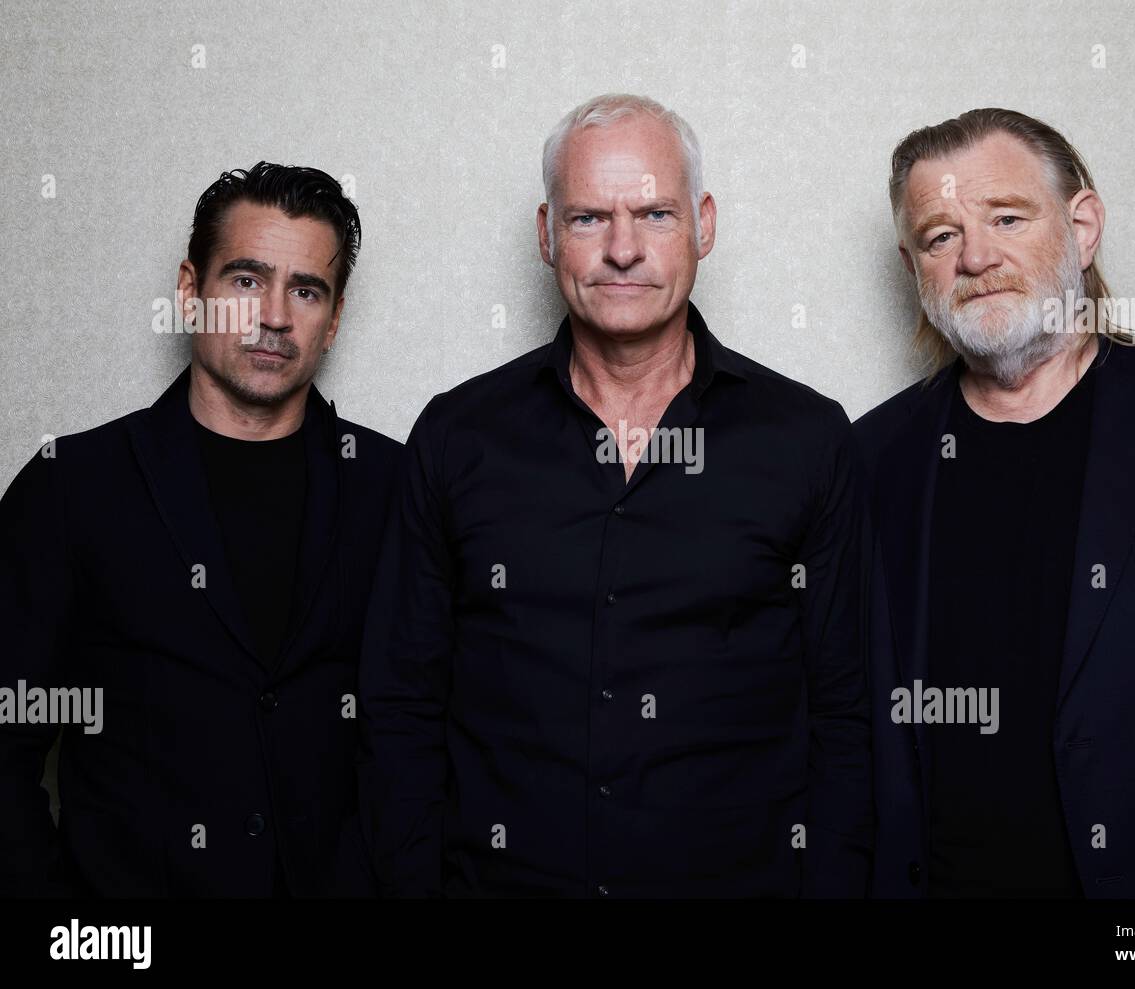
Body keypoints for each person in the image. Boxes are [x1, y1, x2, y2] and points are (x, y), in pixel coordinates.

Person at [359, 93, 870, 897]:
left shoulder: (806, 439)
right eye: (591, 217)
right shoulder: (459, 436)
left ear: (703, 224)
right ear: (546, 234)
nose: (624, 249)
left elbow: (847, 717)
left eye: (655, 214)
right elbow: (399, 706)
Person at [856, 108, 1135, 897]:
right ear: (912, 264)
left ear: (1083, 225)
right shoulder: (868, 460)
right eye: (940, 236)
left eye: (1006, 217)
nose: (977, 257)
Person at [0, 162, 401, 896]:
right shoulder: (72, 485)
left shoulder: (396, 487)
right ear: (192, 292)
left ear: (334, 319)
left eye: (306, 290)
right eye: (246, 280)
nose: (274, 315)